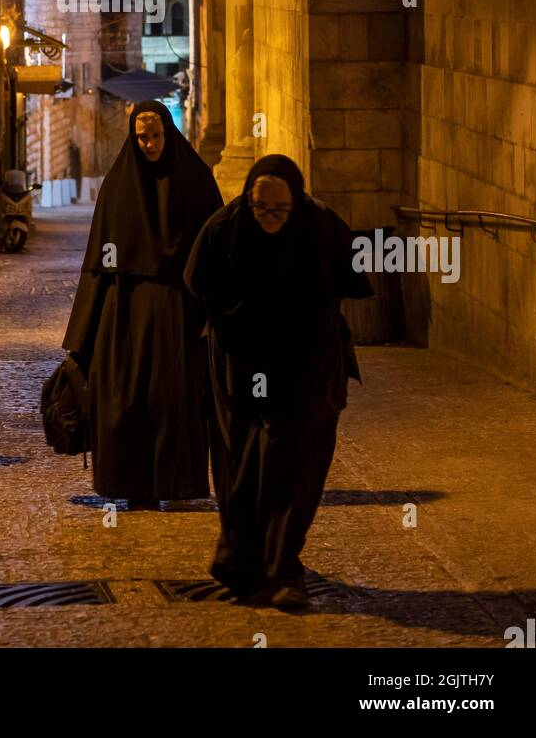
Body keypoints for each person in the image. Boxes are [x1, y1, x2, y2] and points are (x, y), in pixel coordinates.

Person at [184, 155, 374, 608]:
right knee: (244, 468)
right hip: (240, 367)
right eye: (260, 208)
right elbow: (199, 287)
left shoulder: (321, 227)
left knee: (298, 469)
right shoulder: (224, 229)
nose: (269, 218)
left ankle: (286, 566)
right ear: (248, 199)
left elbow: (348, 283)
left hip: (306, 369)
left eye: (279, 210)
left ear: (296, 203)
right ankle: (246, 565)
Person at [63, 100, 223, 507]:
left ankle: (176, 485)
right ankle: (132, 485)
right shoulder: (118, 187)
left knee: (174, 400)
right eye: (141, 137)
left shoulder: (196, 180)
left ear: (168, 134)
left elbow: (216, 251)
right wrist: (84, 331)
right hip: (126, 313)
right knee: (126, 398)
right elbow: (99, 263)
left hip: (178, 312)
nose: (149, 144)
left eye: (155, 136)